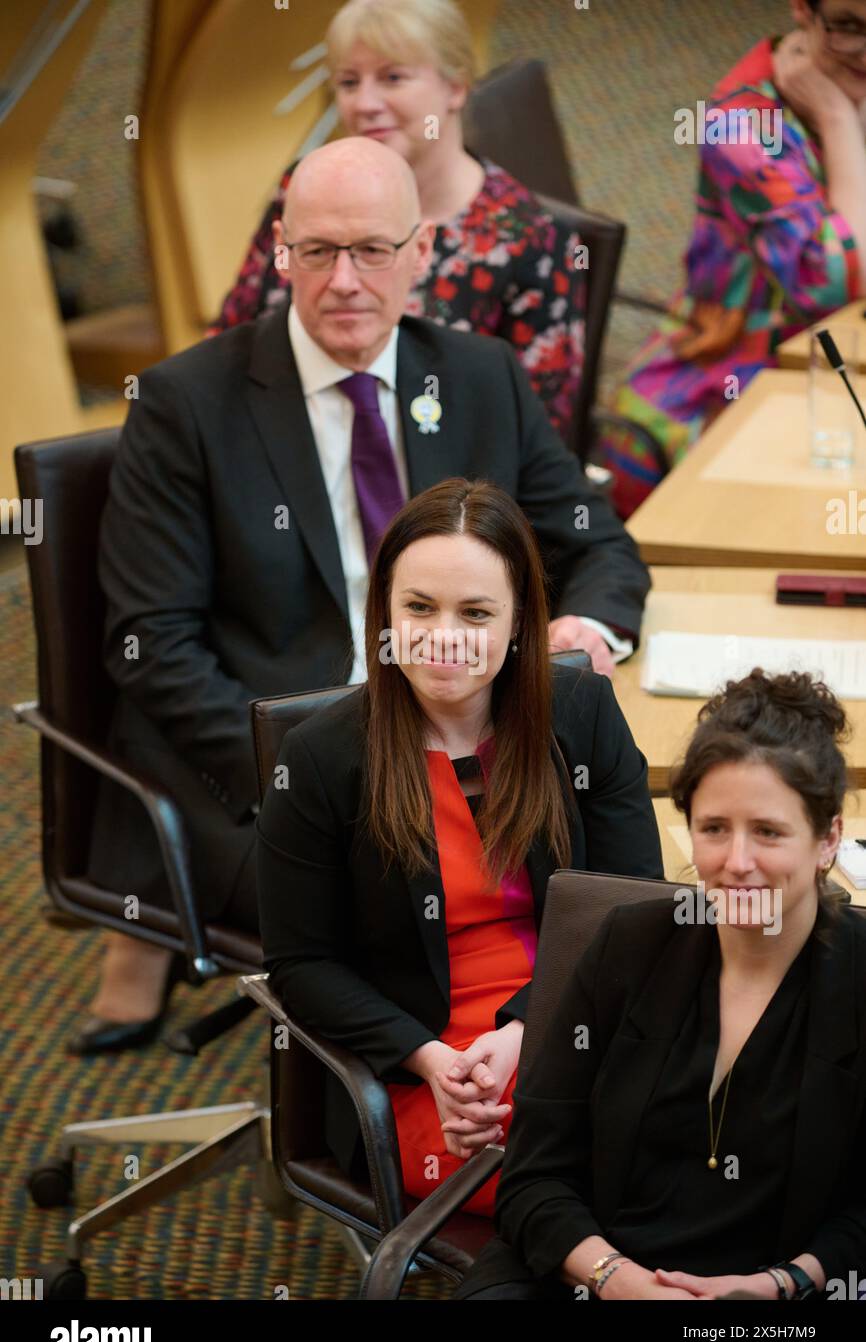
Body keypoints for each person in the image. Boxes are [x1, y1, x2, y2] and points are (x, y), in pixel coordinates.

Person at [78, 135, 650, 1053]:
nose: (345, 280)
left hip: (470, 738)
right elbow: (154, 646)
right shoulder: (189, 404)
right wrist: (321, 773)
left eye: (373, 251)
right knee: (441, 920)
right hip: (287, 768)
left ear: (419, 254)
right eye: (318, 251)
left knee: (619, 868)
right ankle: (428, 1110)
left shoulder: (476, 377)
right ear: (282, 253)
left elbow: (598, 545)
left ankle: (530, 1083)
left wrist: (584, 627)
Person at [257, 477, 663, 1212]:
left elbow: (633, 908)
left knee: (722, 1135)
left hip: (584, 1007)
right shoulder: (321, 759)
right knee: (588, 1178)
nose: (443, 636)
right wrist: (435, 1063)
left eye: (475, 613)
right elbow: (301, 964)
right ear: (383, 610)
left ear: (518, 623)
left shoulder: (581, 712)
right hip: (425, 1065)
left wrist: (525, 1030)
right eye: (418, 607)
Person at [455, 669, 866, 1300]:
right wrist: (617, 1281)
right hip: (590, 1275)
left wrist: (783, 1284)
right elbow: (535, 1177)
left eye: (769, 832)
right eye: (714, 828)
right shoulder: (630, 945)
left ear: (828, 838)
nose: (737, 862)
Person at [210, 0, 586, 443]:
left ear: (456, 88)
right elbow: (228, 341)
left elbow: (537, 436)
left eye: (392, 78)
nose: (365, 103)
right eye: (348, 82)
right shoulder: (306, 189)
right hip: (281, 449)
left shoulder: (529, 240)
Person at [599, 0, 866, 517]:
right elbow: (838, 286)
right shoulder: (737, 125)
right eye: (849, 27)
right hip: (734, 378)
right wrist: (840, 123)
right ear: (801, 11)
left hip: (831, 365)